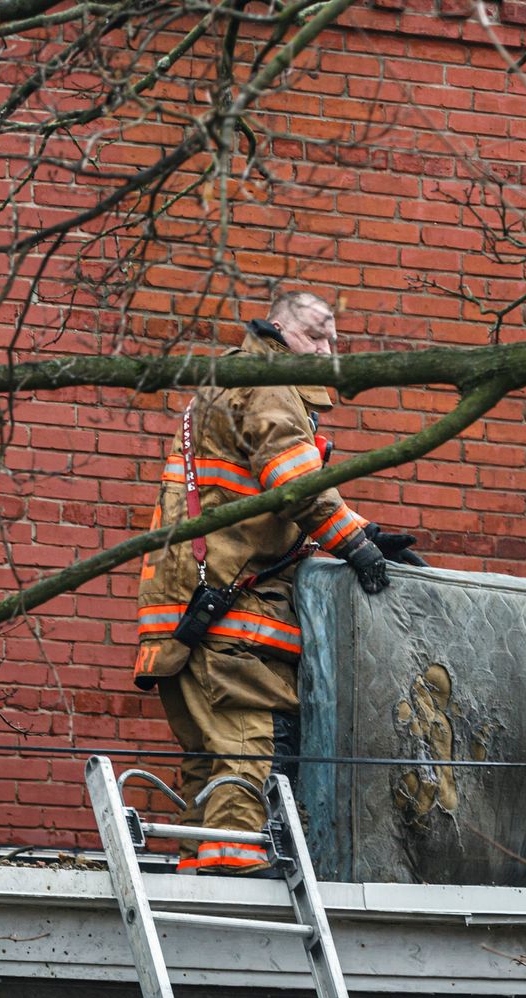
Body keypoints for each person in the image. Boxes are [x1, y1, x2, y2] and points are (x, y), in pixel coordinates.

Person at [133, 292, 415, 875]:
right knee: (247, 741)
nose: (328, 350)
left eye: (334, 339)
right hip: (233, 614)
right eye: (316, 335)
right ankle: (234, 872)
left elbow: (263, 498)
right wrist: (355, 546)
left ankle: (202, 870)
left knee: (208, 761)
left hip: (194, 609)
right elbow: (295, 485)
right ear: (278, 329)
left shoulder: (231, 380)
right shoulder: (267, 382)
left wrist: (363, 529)